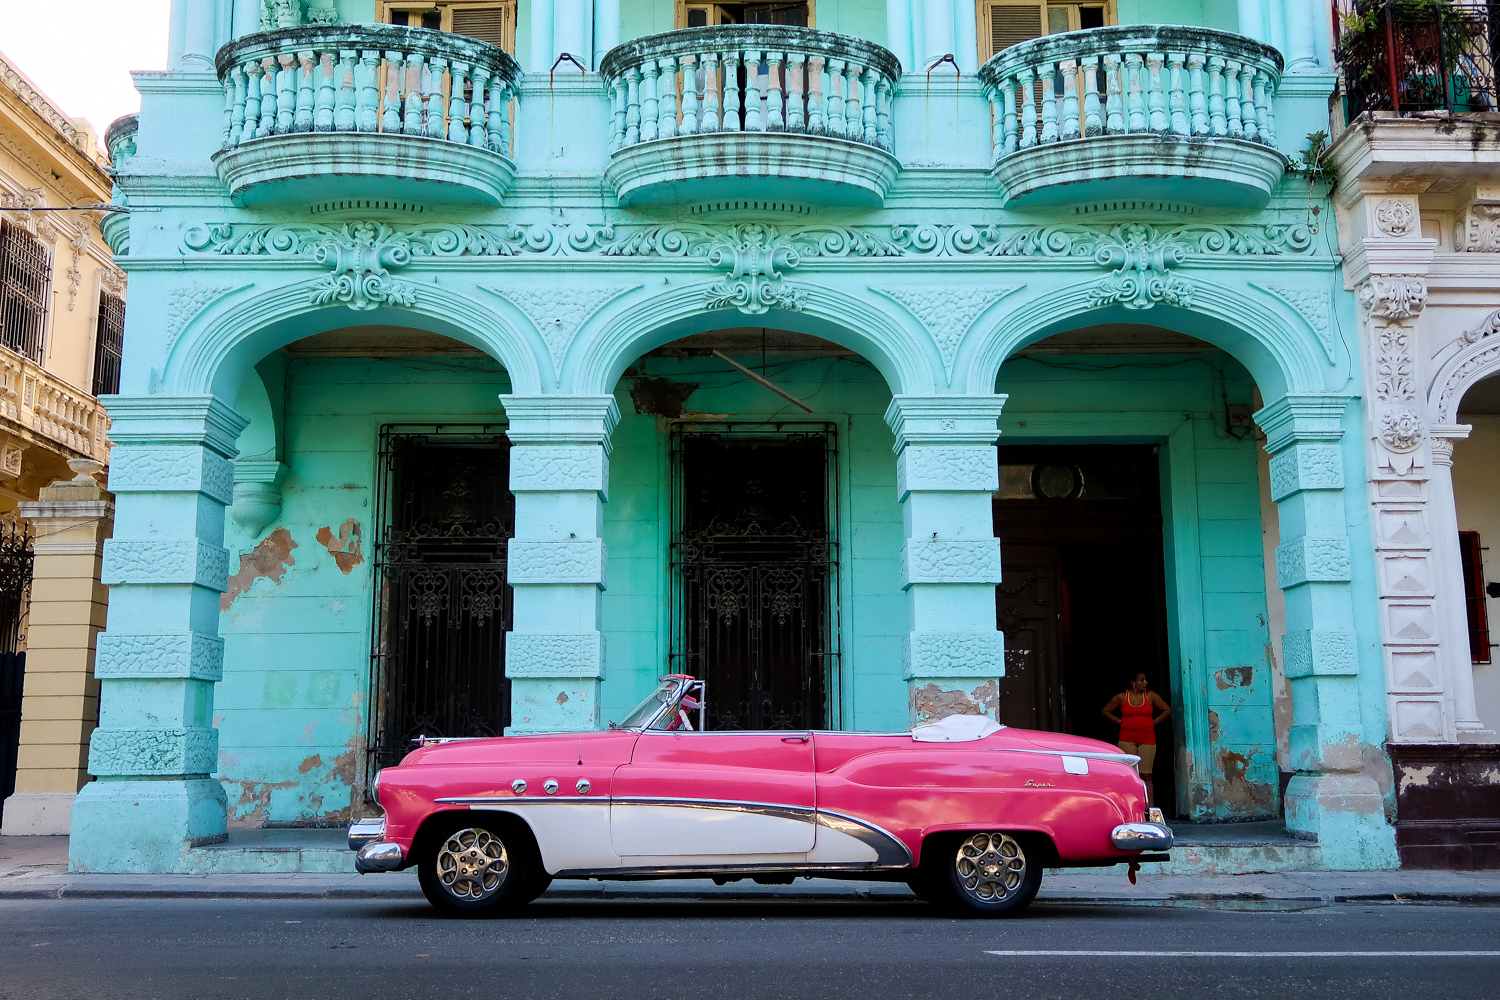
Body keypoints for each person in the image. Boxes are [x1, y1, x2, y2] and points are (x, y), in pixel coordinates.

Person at [1101, 672, 1172, 807]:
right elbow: (1105, 711)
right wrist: (1119, 721)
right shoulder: (1122, 697)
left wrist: (1154, 722)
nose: (1146, 683)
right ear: (1133, 683)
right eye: (1142, 680)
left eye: (1145, 680)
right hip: (1127, 738)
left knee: (1147, 775)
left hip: (1148, 738)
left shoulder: (1150, 696)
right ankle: (1131, 806)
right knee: (1129, 774)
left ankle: (1150, 808)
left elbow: (1167, 710)